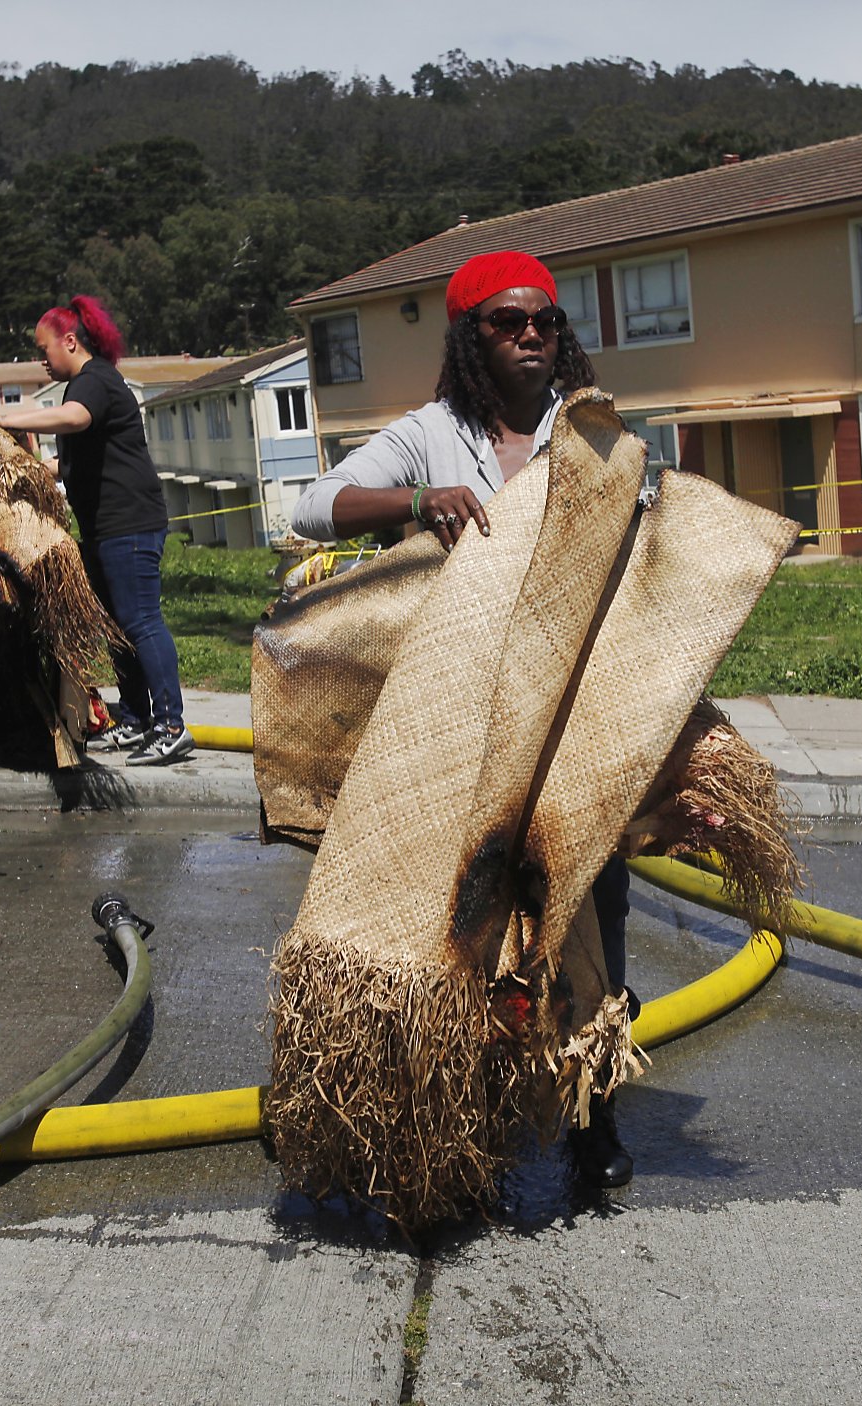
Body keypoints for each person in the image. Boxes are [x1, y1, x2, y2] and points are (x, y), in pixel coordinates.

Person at [289, 249, 637, 1190]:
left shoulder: (596, 430)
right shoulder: (430, 434)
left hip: (576, 715)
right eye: (506, 322)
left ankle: (591, 1119)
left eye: (544, 322)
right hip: (467, 725)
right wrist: (414, 501)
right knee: (465, 928)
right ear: (468, 336)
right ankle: (461, 1121)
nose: (530, 334)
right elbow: (311, 504)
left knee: (587, 913)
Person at [0, 298, 191, 766]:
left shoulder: (94, 382)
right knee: (116, 626)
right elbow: (74, 457)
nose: (40, 359)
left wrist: (2, 416)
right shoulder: (85, 385)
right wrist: (34, 470)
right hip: (106, 527)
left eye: (44, 349)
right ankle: (134, 720)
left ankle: (172, 726)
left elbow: (75, 420)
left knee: (141, 620)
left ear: (70, 342)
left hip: (129, 525)